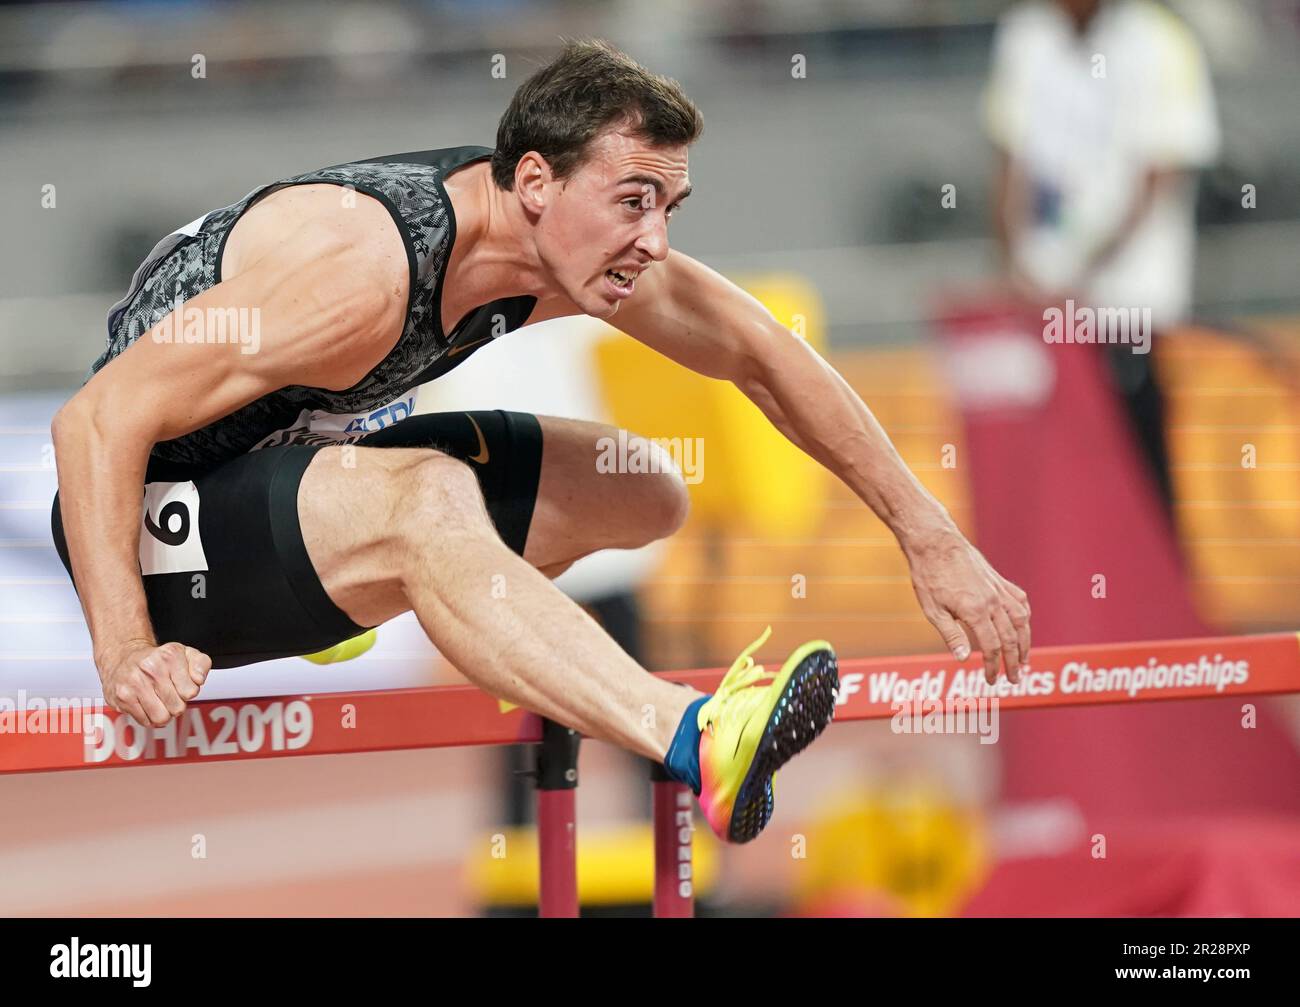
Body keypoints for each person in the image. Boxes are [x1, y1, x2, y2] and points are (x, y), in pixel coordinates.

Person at [50, 40, 1030, 844]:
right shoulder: (361, 269)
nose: (653, 238)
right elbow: (94, 419)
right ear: (534, 182)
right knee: (427, 495)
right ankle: (692, 737)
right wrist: (127, 645)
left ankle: (394, 578)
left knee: (639, 488)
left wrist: (928, 536)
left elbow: (766, 356)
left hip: (287, 478)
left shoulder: (564, 245)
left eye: (668, 207)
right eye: (634, 200)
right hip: (154, 516)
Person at [985, 0, 1220, 519]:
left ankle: (1155, 584)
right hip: (1045, 297)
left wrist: (1079, 274)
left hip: (1128, 296)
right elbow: (1008, 159)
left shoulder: (1162, 41)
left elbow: (1160, 173)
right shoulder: (1026, 35)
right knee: (1060, 465)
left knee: (1139, 449)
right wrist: (1018, 269)